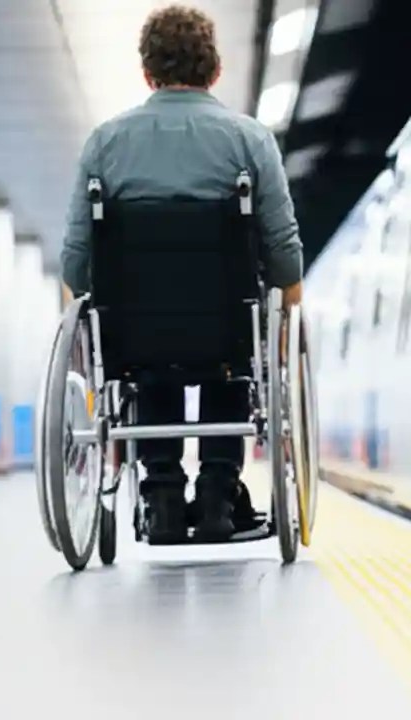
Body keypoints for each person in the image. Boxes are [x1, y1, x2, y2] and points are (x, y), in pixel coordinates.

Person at [59, 4, 303, 543]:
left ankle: (161, 495)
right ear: (215, 71)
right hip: (226, 332)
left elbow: (75, 260)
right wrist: (288, 307)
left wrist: (80, 326)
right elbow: (283, 248)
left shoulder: (105, 143)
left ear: (147, 73)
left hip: (134, 338)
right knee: (231, 355)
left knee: (152, 362)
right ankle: (218, 496)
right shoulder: (250, 140)